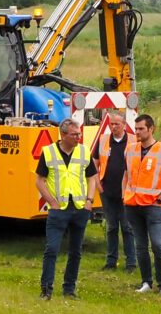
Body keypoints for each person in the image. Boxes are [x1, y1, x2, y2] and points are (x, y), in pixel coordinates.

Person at [35, 119, 94, 299]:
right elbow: (40, 181)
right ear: (63, 135)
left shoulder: (84, 151)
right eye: (74, 134)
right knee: (52, 249)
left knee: (76, 251)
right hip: (58, 210)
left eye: (79, 134)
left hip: (79, 209)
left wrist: (89, 201)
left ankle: (69, 289)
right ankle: (46, 290)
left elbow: (92, 177)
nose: (78, 137)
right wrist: (52, 202)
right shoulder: (49, 152)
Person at [122, 113, 161, 296]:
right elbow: (126, 174)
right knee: (140, 245)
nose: (137, 132)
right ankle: (146, 281)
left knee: (158, 245)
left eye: (141, 129)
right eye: (136, 129)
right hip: (132, 204)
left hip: (153, 206)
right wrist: (124, 195)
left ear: (151, 129)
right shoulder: (130, 149)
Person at [96, 111, 135, 272]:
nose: (113, 127)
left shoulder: (133, 141)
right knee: (111, 227)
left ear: (124, 125)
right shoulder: (104, 140)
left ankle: (131, 262)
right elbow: (95, 162)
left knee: (127, 227)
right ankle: (111, 261)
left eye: (116, 124)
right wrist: (98, 183)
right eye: (111, 124)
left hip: (126, 192)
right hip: (108, 190)